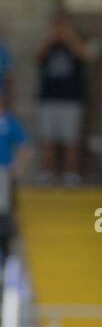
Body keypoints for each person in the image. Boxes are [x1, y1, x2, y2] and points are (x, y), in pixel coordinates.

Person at [36, 11, 89, 184]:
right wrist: (50, 39)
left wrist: (69, 38)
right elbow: (38, 56)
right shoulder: (49, 43)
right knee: (47, 138)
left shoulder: (74, 42)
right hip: (48, 98)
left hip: (71, 99)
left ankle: (71, 174)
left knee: (71, 139)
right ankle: (47, 174)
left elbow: (84, 54)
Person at [0, 92, 29, 264]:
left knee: (6, 209)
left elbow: (24, 146)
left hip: (4, 172)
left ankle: (8, 248)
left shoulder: (10, 122)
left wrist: (18, 168)